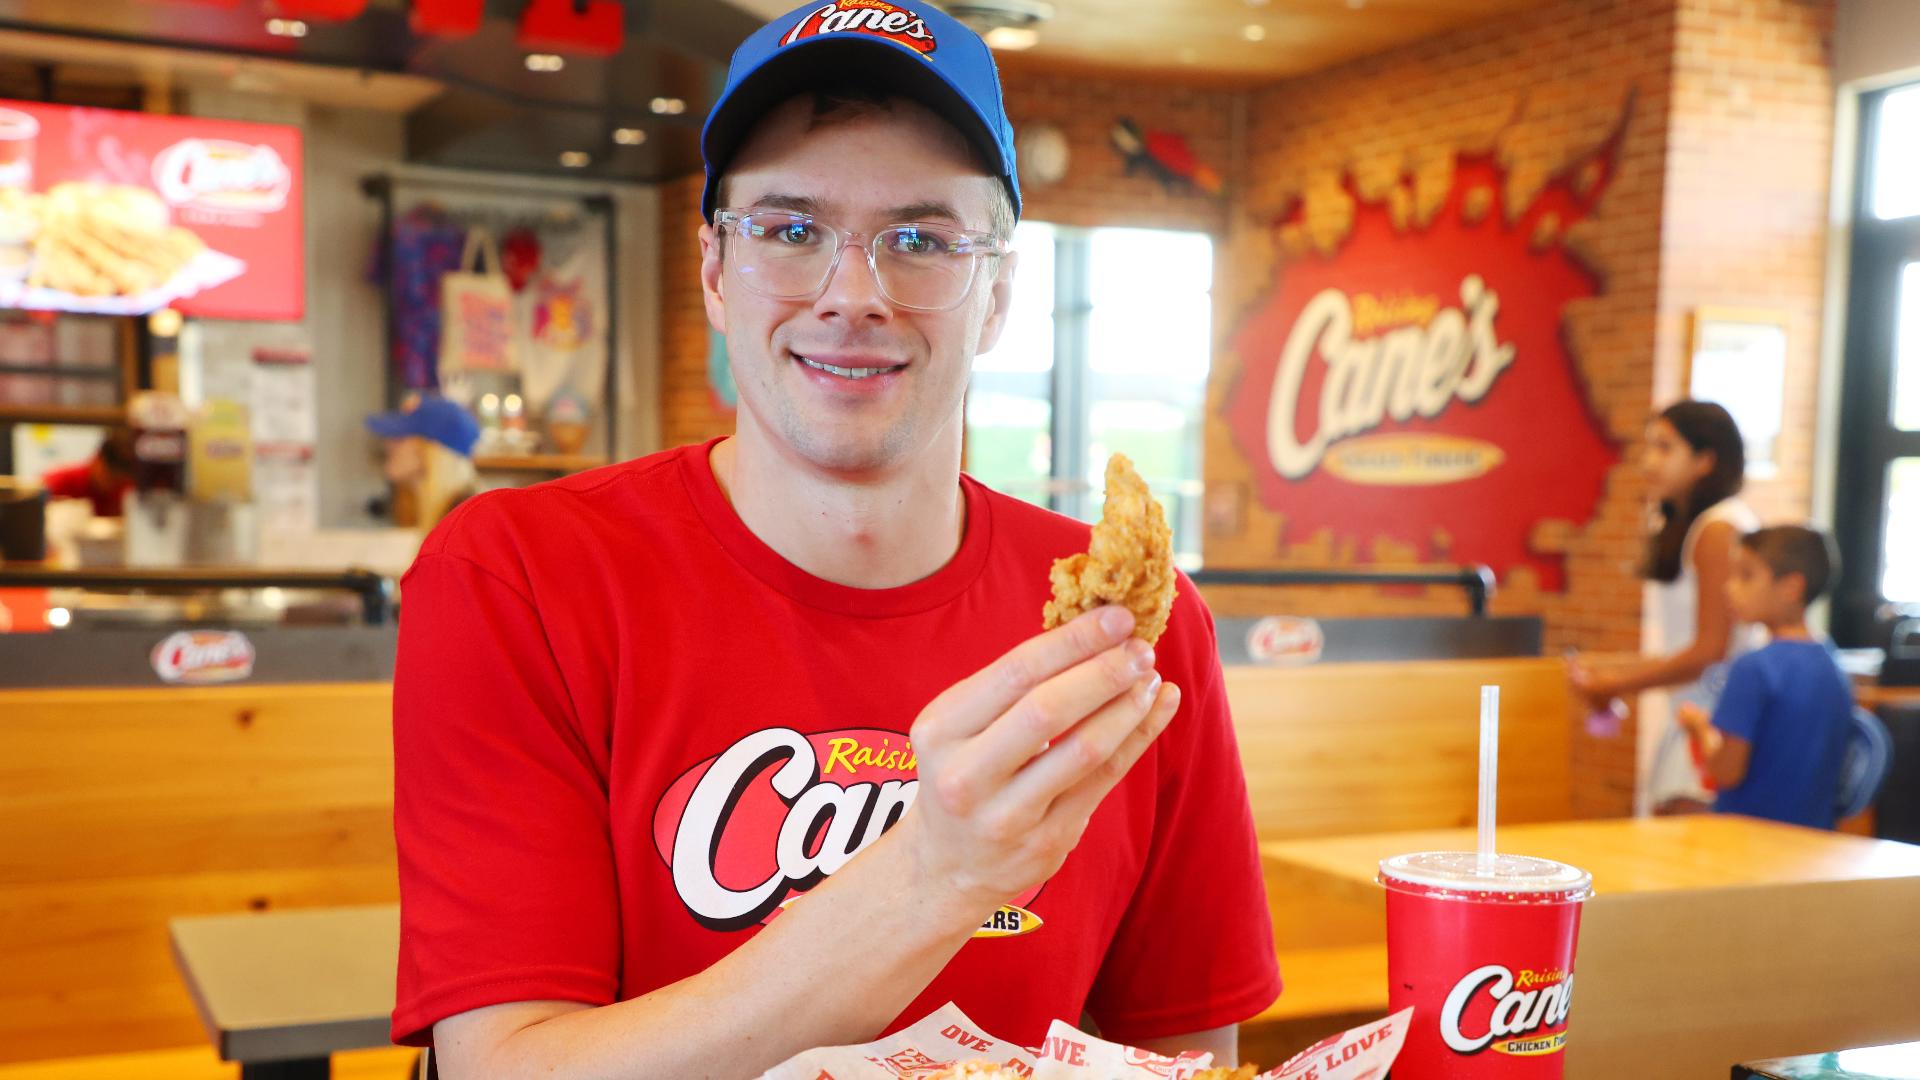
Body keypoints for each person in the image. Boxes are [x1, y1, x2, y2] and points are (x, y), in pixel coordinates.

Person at [389, 4, 1279, 1077]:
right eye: (790, 229)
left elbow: (1183, 1051)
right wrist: (931, 879)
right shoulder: (519, 573)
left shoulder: (1135, 636)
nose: (853, 295)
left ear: (997, 291)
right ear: (715, 269)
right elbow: (505, 1069)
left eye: (921, 240)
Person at [1568, 400, 1760, 815]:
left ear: (1705, 459)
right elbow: (1689, 646)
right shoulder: (1689, 525)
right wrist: (1616, 673)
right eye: (1649, 446)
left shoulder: (1719, 528)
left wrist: (1616, 684)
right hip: (1692, 714)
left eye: (1665, 447)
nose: (1648, 461)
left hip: (1714, 721)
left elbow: (1709, 650)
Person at [1677, 526, 1853, 829]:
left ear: (1791, 587)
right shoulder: (1832, 664)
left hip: (1751, 841)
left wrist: (1699, 728)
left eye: (1746, 576)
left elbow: (1726, 771)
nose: (1729, 587)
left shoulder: (1754, 668)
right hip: (1814, 843)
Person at [365, 394, 479, 529]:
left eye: (400, 438)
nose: (388, 445)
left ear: (431, 451)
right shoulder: (443, 512)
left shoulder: (465, 523)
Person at [39, 426, 134, 517]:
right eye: (109, 477)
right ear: (96, 460)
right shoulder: (61, 481)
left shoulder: (126, 489)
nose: (111, 484)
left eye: (117, 480)